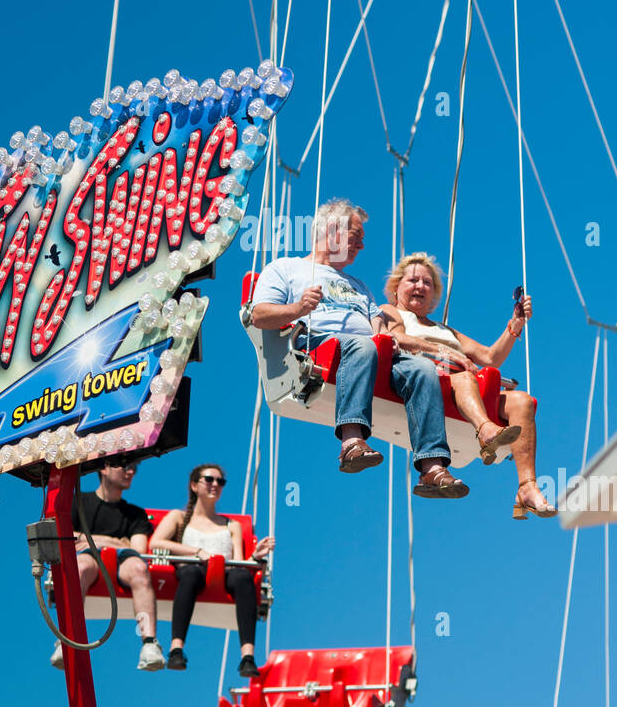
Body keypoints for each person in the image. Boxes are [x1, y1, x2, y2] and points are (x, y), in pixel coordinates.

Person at [249, 199, 468, 498]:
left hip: (371, 351)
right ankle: (352, 442)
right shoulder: (286, 268)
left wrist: (388, 339)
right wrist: (299, 307)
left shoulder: (358, 285)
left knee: (422, 369)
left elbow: (377, 327)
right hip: (320, 343)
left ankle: (432, 467)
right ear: (332, 231)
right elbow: (259, 315)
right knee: (361, 344)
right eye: (357, 236)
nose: (361, 246)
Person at [382, 252, 556, 519]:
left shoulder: (446, 331)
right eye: (413, 280)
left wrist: (515, 325)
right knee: (463, 375)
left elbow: (490, 357)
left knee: (522, 401)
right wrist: (444, 352)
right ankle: (486, 431)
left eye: (427, 283)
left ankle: (527, 487)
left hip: (465, 390)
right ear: (396, 288)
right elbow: (395, 337)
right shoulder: (390, 312)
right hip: (423, 383)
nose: (420, 287)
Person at [150, 463, 275, 674]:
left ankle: (247, 656)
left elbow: (238, 561)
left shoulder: (231, 525)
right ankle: (176, 649)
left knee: (243, 578)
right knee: (190, 574)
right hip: (191, 569)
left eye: (220, 481)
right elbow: (156, 543)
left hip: (224, 573)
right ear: (194, 485)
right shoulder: (178, 518)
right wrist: (196, 552)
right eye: (209, 479)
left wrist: (255, 556)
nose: (215, 484)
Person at [50, 456, 165, 671]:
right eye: (126, 466)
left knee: (139, 569)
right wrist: (117, 541)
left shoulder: (136, 515)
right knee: (81, 568)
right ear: (104, 468)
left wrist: (88, 537)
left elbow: (138, 549)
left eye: (134, 468)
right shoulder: (77, 503)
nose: (131, 472)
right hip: (89, 558)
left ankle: (149, 643)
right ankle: (66, 639)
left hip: (123, 560)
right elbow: (66, 538)